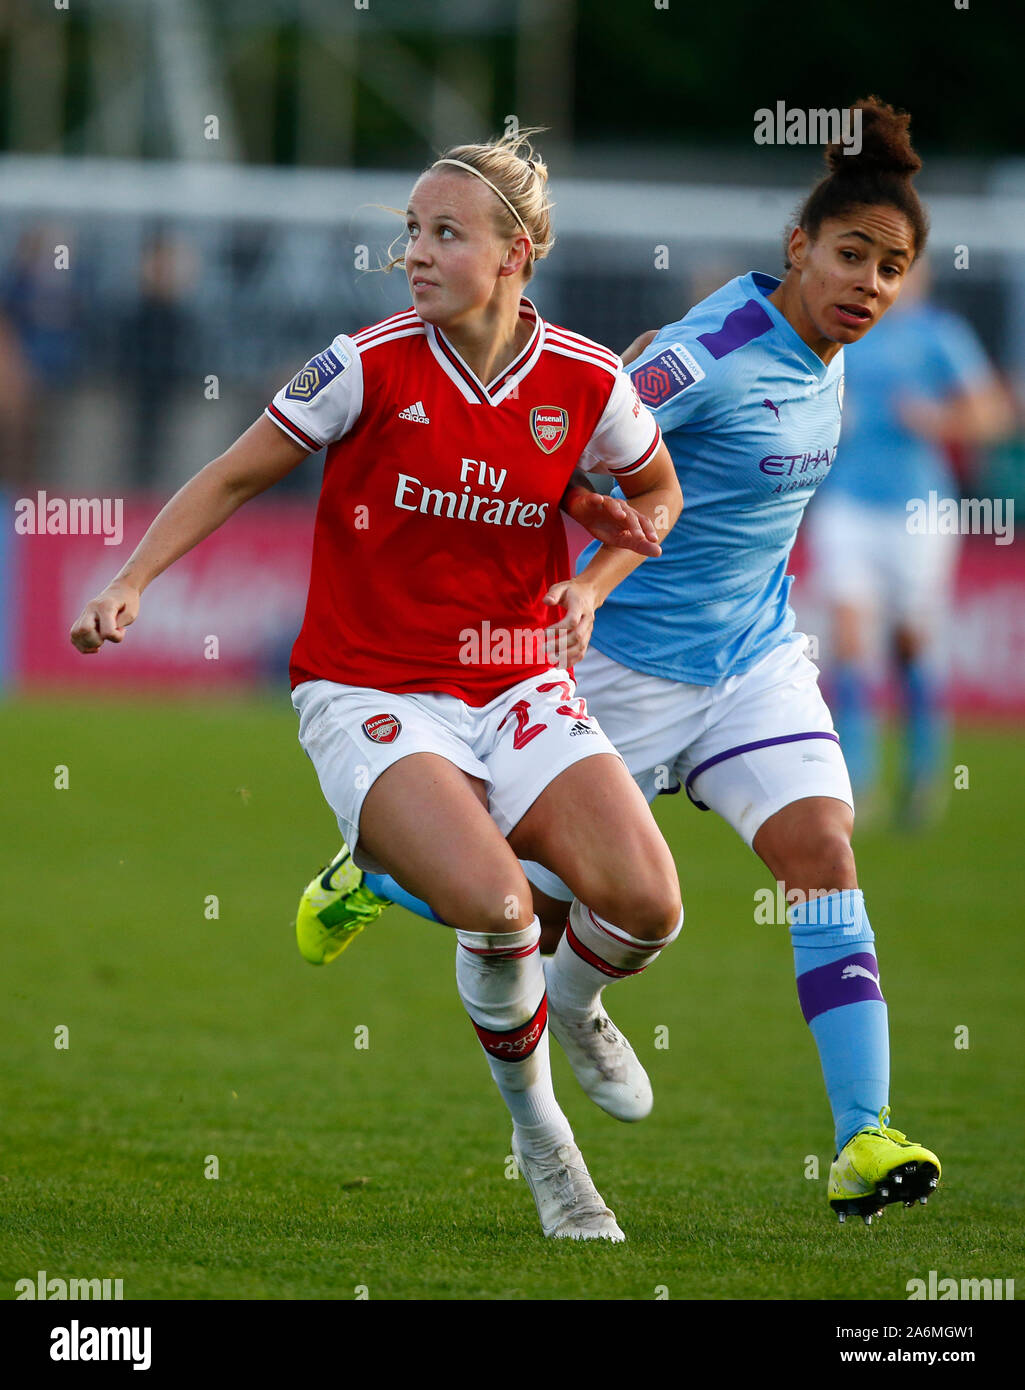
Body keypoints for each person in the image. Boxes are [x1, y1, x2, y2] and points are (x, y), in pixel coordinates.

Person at [300, 98, 943, 1227]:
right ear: (796, 251)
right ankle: (377, 872)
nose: (869, 286)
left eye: (889, 268)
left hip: (748, 660)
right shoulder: (707, 353)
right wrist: (583, 589)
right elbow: (585, 424)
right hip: (615, 673)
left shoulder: (826, 352)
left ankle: (859, 1138)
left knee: (820, 848)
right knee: (518, 912)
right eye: (850, 257)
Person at [70, 131, 685, 1243]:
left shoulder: (587, 380)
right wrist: (132, 580)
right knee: (499, 910)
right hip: (368, 689)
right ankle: (545, 1145)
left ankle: (578, 1002)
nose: (414, 252)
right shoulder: (366, 362)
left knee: (647, 907)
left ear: (517, 255)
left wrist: (594, 579)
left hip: (515, 681)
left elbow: (654, 500)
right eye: (410, 230)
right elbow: (233, 471)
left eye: (445, 233)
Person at [805, 260, 1012, 826]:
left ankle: (923, 779)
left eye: (897, 267)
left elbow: (994, 413)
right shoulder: (843, 332)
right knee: (850, 640)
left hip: (918, 510)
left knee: (912, 643)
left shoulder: (938, 335)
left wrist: (937, 419)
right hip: (846, 504)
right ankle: (858, 785)